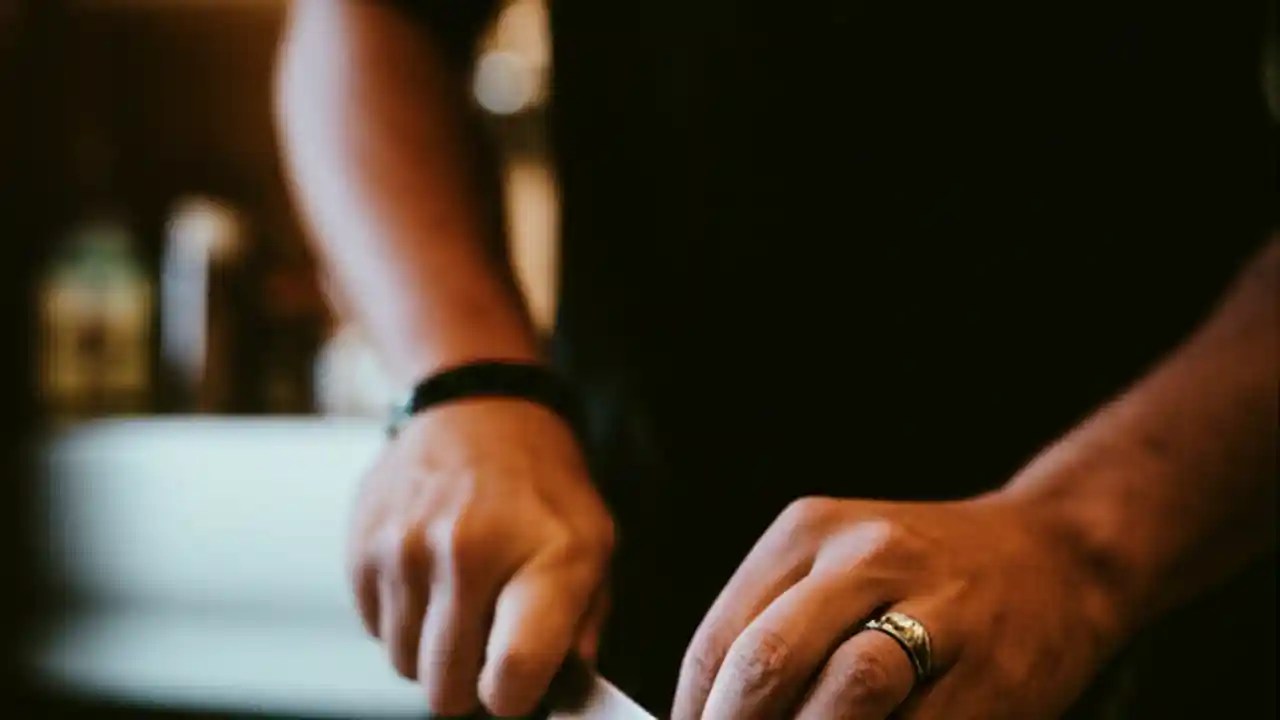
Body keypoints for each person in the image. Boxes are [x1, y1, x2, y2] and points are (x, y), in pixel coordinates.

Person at [274, 1, 1276, 717]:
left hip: (1164, 586)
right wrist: (467, 384)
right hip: (634, 588)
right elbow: (366, 19)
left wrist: (1084, 548)